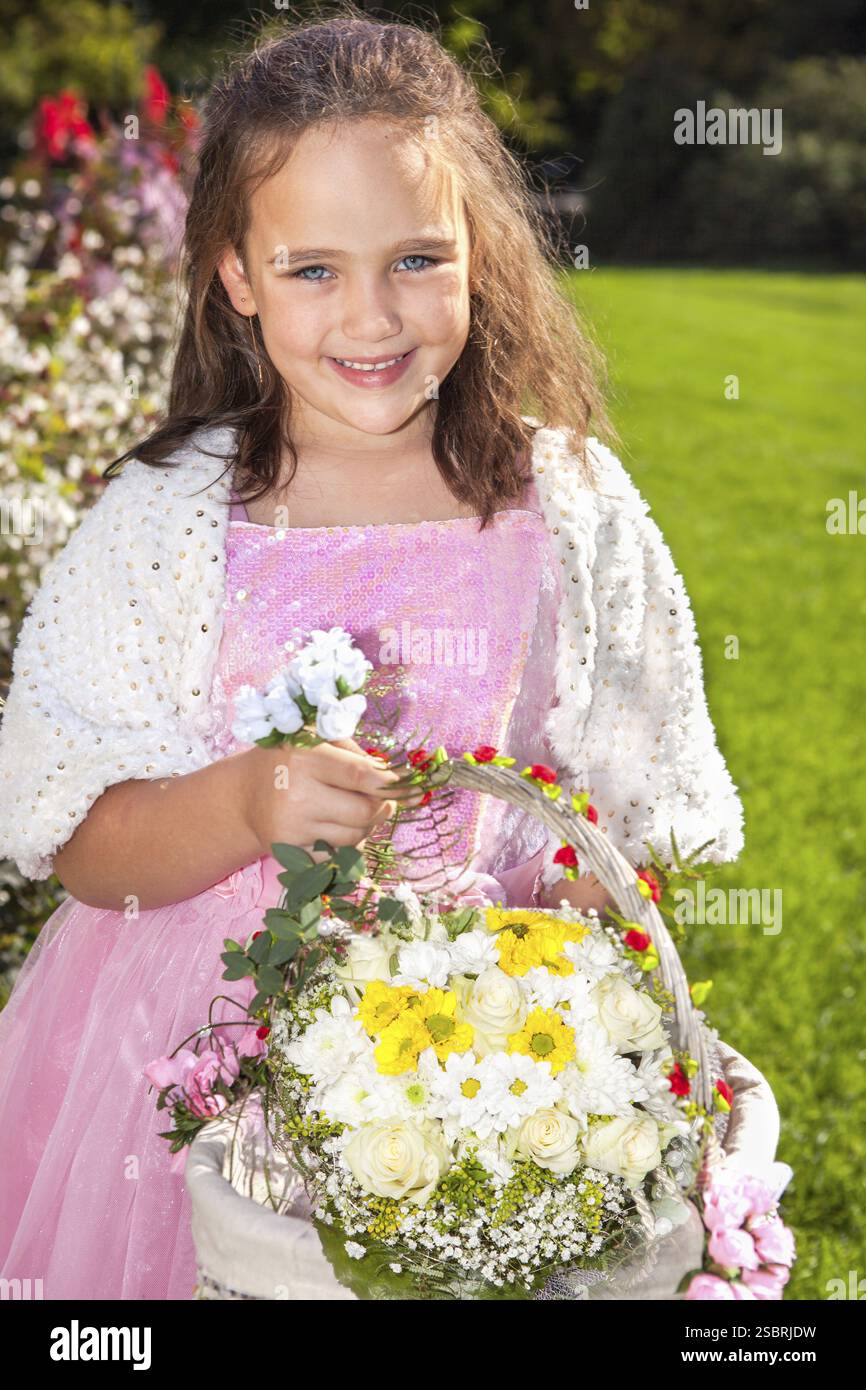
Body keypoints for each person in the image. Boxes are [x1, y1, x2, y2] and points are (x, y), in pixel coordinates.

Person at [0, 9, 744, 1300]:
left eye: (414, 258)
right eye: (311, 270)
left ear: (476, 248)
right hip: (198, 1047)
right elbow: (77, 836)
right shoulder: (173, 522)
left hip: (474, 1047)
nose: (371, 315)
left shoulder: (561, 505)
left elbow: (615, 826)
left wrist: (575, 951)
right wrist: (248, 800)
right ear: (233, 271)